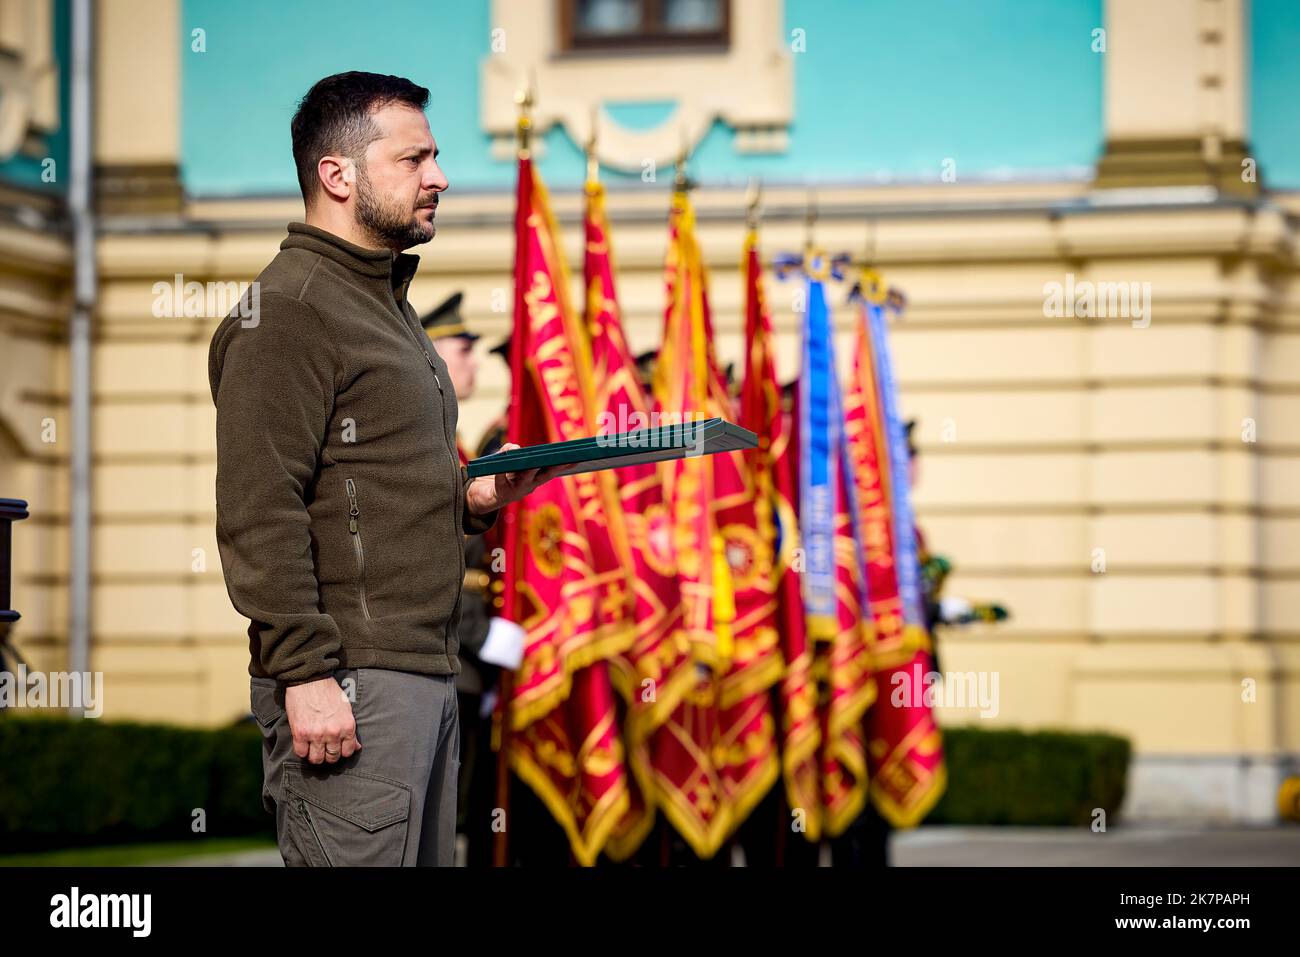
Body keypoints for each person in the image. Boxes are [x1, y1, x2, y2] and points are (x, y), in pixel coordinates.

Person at [208, 71, 560, 867]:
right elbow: (260, 507)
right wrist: (303, 674)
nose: (438, 176)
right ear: (337, 175)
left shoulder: (383, 303)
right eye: (414, 159)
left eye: (435, 157)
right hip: (353, 683)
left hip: (421, 674)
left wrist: (472, 497)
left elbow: (368, 487)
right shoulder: (292, 308)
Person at [419, 292, 525, 866]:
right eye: (462, 350)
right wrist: (483, 637)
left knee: (450, 821)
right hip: (450, 655)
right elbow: (443, 560)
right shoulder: (433, 440)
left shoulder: (453, 440)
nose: (473, 363)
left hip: (464, 662)